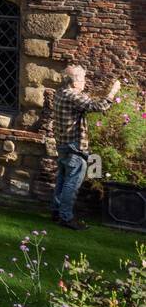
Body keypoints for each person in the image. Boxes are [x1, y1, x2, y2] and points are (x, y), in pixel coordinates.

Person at [50, 64, 119, 231]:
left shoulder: (61, 93)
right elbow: (99, 106)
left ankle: (56, 212)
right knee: (71, 184)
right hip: (75, 147)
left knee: (62, 181)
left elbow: (86, 102)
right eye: (82, 79)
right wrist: (113, 92)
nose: (84, 82)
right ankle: (66, 218)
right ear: (74, 82)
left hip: (63, 145)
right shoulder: (72, 96)